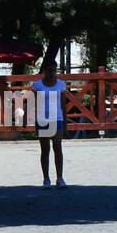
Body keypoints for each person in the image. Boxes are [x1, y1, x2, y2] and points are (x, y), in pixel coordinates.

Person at [30, 58, 67, 187]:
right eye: (49, 70)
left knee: (58, 148)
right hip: (42, 119)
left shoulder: (61, 85)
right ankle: (46, 178)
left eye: (54, 71)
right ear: (44, 71)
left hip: (57, 118)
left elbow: (63, 104)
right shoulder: (37, 85)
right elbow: (32, 103)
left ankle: (60, 177)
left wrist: (65, 122)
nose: (52, 73)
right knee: (45, 150)